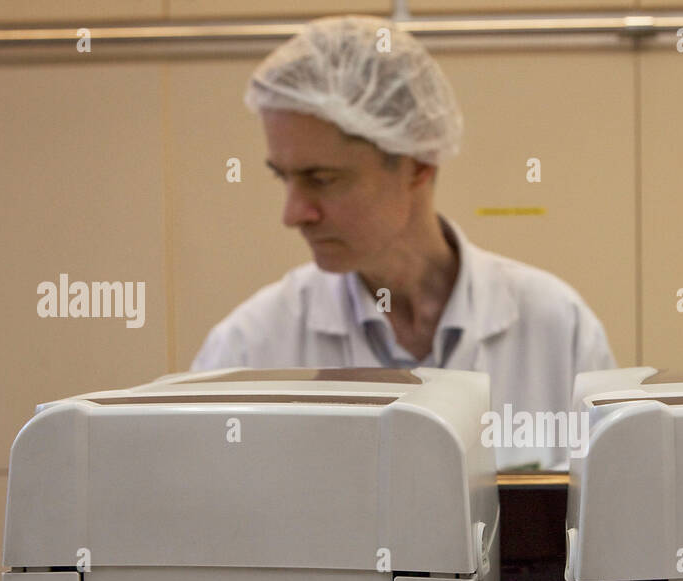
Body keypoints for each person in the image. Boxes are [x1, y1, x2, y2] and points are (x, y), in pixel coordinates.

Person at [192, 15, 615, 468]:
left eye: (322, 178)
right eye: (284, 178)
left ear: (418, 165)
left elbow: (610, 518)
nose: (294, 214)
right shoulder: (250, 348)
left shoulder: (556, 328)